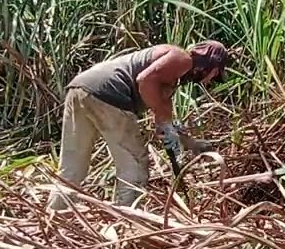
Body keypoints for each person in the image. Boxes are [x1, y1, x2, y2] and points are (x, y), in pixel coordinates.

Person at [47, 40, 228, 210]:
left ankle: (53, 217)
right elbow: (145, 80)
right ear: (210, 63)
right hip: (110, 93)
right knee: (134, 165)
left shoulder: (169, 78)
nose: (209, 82)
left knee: (72, 165)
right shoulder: (183, 59)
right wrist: (160, 113)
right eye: (214, 75)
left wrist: (189, 143)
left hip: (81, 87)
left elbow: (163, 121)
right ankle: (126, 220)